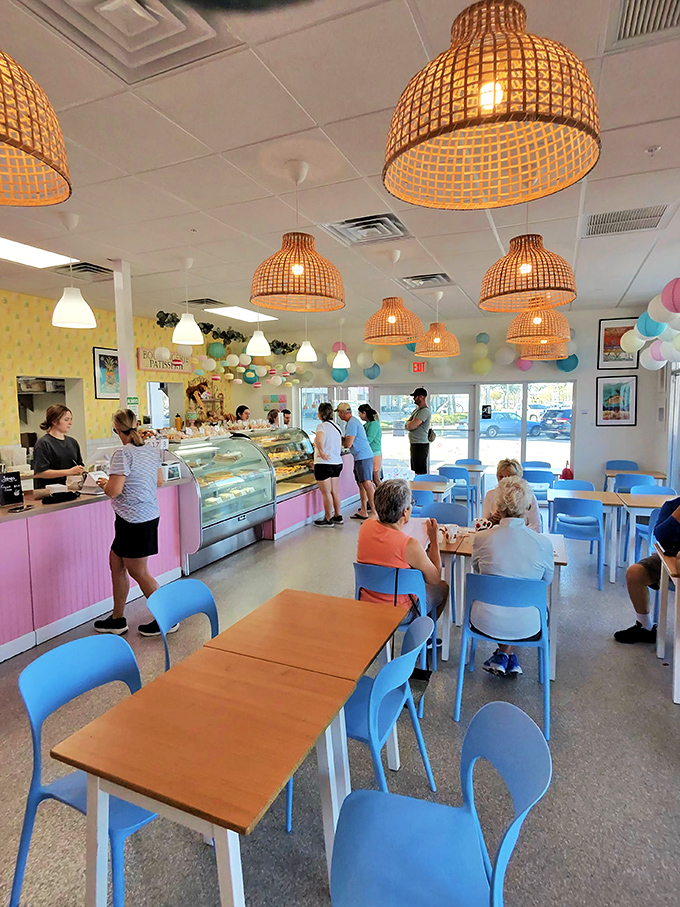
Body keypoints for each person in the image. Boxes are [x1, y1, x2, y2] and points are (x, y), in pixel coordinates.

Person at [93, 409, 174, 638]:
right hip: (145, 516)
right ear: (136, 425)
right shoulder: (150, 451)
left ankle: (167, 617)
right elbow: (159, 480)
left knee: (140, 573)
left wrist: (104, 483)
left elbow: (114, 490)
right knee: (116, 564)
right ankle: (117, 619)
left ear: (116, 430)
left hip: (133, 520)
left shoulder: (123, 454)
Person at [472, 476, 554, 676]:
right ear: (527, 507)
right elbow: (546, 581)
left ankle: (503, 655)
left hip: (484, 620)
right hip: (529, 624)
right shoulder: (542, 544)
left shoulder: (482, 539)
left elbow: (477, 570)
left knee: (498, 597)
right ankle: (507, 655)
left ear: (498, 506)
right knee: (531, 601)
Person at [357, 478, 448, 620]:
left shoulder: (365, 527)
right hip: (398, 610)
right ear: (405, 512)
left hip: (367, 602)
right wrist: (434, 540)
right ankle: (424, 634)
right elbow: (434, 578)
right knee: (442, 587)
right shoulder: (409, 545)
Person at [615, 495, 680, 643]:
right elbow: (659, 534)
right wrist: (677, 516)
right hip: (669, 557)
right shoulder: (671, 506)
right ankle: (645, 627)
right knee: (635, 573)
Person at [336, 402, 375, 520]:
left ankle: (375, 512)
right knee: (361, 484)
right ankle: (364, 510)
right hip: (359, 457)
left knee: (367, 484)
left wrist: (338, 439)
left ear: (342, 413)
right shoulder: (352, 422)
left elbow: (348, 443)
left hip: (363, 456)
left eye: (338, 413)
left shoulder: (352, 423)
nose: (338, 415)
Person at [32, 405, 85, 490]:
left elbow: (79, 464)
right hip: (49, 494)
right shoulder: (43, 444)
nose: (70, 423)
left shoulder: (73, 442)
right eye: (66, 420)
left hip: (71, 490)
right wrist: (69, 472)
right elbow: (40, 473)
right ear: (54, 421)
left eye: (71, 419)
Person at [481, 458, 542, 532]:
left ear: (518, 478)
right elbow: (482, 525)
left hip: (520, 538)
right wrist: (493, 520)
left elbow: (537, 528)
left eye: (508, 476)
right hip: (496, 537)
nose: (503, 480)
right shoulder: (490, 495)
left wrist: (514, 525)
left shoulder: (528, 497)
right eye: (500, 476)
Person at [312, 402, 344, 527]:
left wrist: (322, 453)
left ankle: (328, 518)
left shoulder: (321, 426)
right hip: (337, 463)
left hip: (324, 464)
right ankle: (338, 515)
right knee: (334, 491)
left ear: (320, 414)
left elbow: (319, 440)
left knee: (326, 493)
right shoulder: (336, 426)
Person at [404, 387, 431, 475]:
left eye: (415, 396)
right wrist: (408, 424)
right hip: (415, 443)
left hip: (421, 444)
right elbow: (408, 424)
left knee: (420, 470)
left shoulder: (424, 411)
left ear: (421, 397)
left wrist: (409, 424)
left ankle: (422, 487)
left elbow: (412, 425)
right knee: (415, 469)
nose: (414, 399)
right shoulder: (417, 410)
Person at [358, 403, 382, 487]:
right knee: (371, 479)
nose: (359, 416)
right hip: (370, 454)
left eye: (360, 413)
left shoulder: (374, 424)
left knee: (376, 478)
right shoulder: (367, 424)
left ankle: (383, 496)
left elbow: (369, 440)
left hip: (375, 453)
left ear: (364, 413)